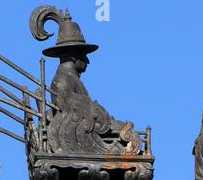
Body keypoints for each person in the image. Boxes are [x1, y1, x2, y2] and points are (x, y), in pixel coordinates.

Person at [42, 14, 137, 154]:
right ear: (74, 56)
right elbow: (75, 113)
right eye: (84, 56)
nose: (88, 61)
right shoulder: (63, 81)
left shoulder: (71, 78)